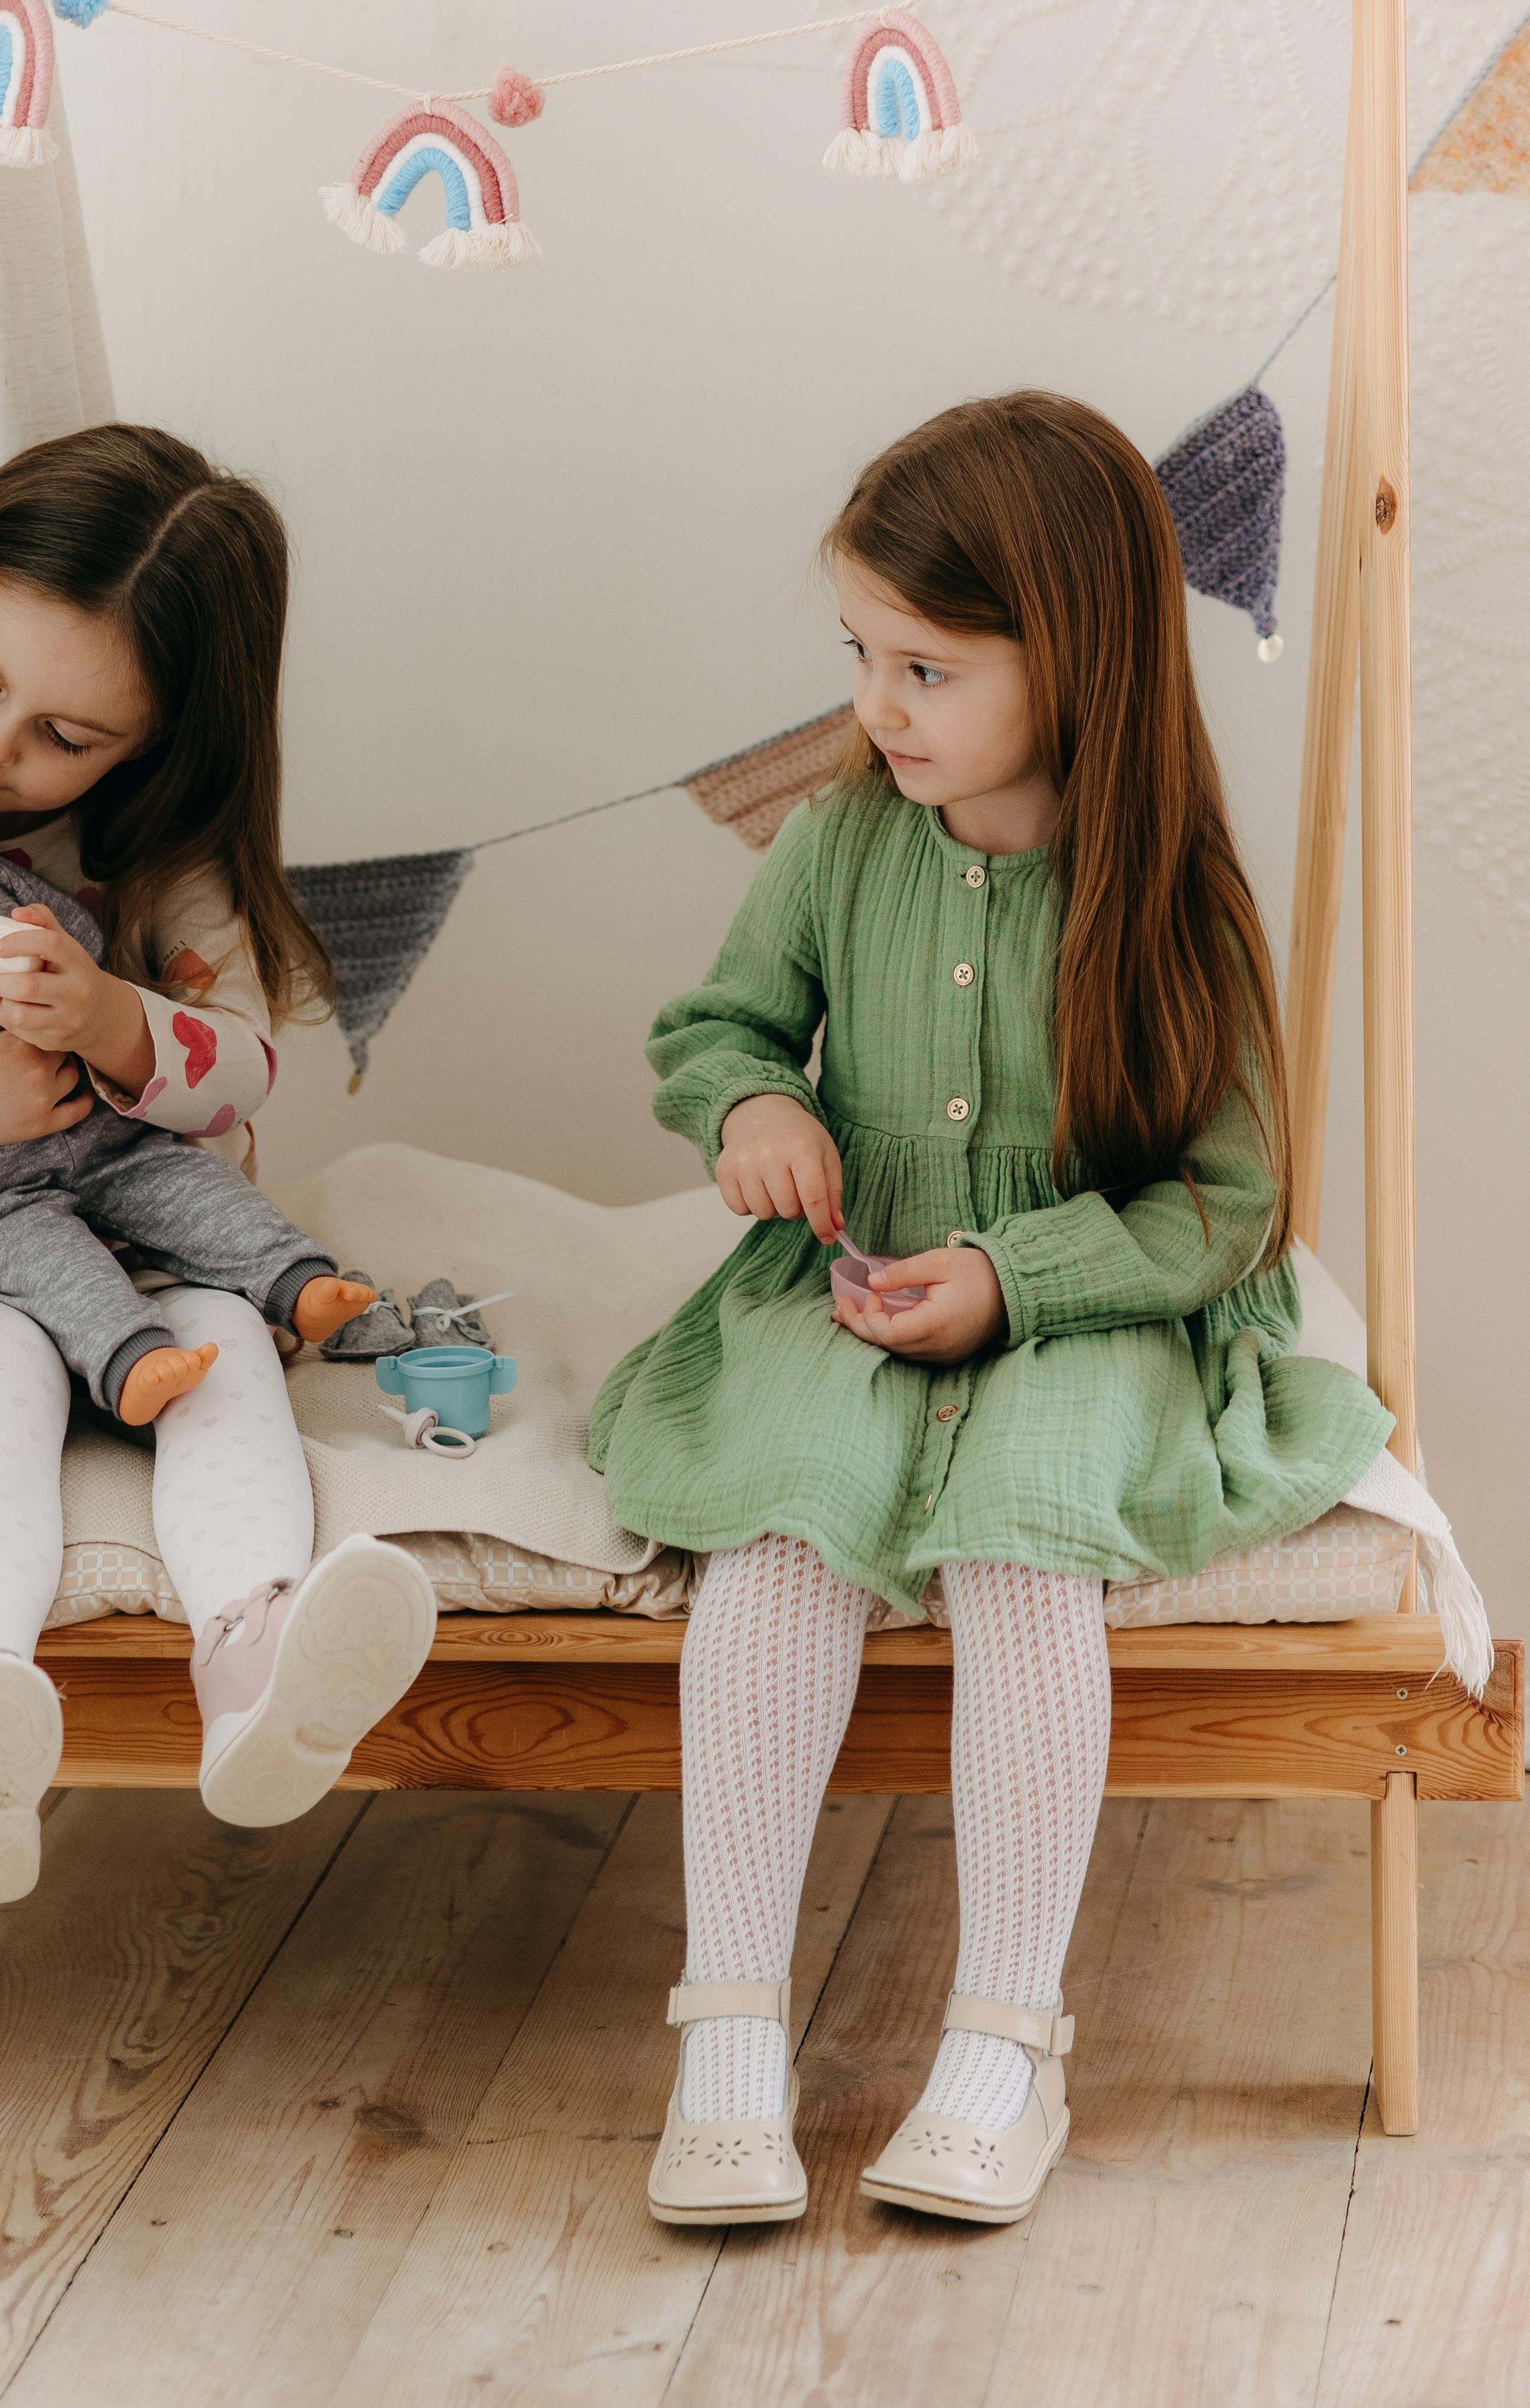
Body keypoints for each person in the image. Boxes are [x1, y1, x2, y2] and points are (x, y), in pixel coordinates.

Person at [590, 392, 1391, 2233]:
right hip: (853, 1271)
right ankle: (730, 2023)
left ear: (1073, 655)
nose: (878, 705)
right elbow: (716, 1028)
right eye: (861, 654)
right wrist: (757, 1108)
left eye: (927, 667)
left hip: (1095, 1307)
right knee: (782, 1518)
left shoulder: (1175, 900)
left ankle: (1008, 2042)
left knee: (1030, 1541)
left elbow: (1231, 1202)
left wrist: (1022, 1278)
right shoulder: (835, 842)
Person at [0, 425, 436, 1901]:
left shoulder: (164, 877)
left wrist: (117, 1020)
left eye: (67, 735)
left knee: (226, 1335)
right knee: (0, 1365)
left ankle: (256, 1656)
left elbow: (244, 1069)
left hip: (132, 1251)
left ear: (159, 744)